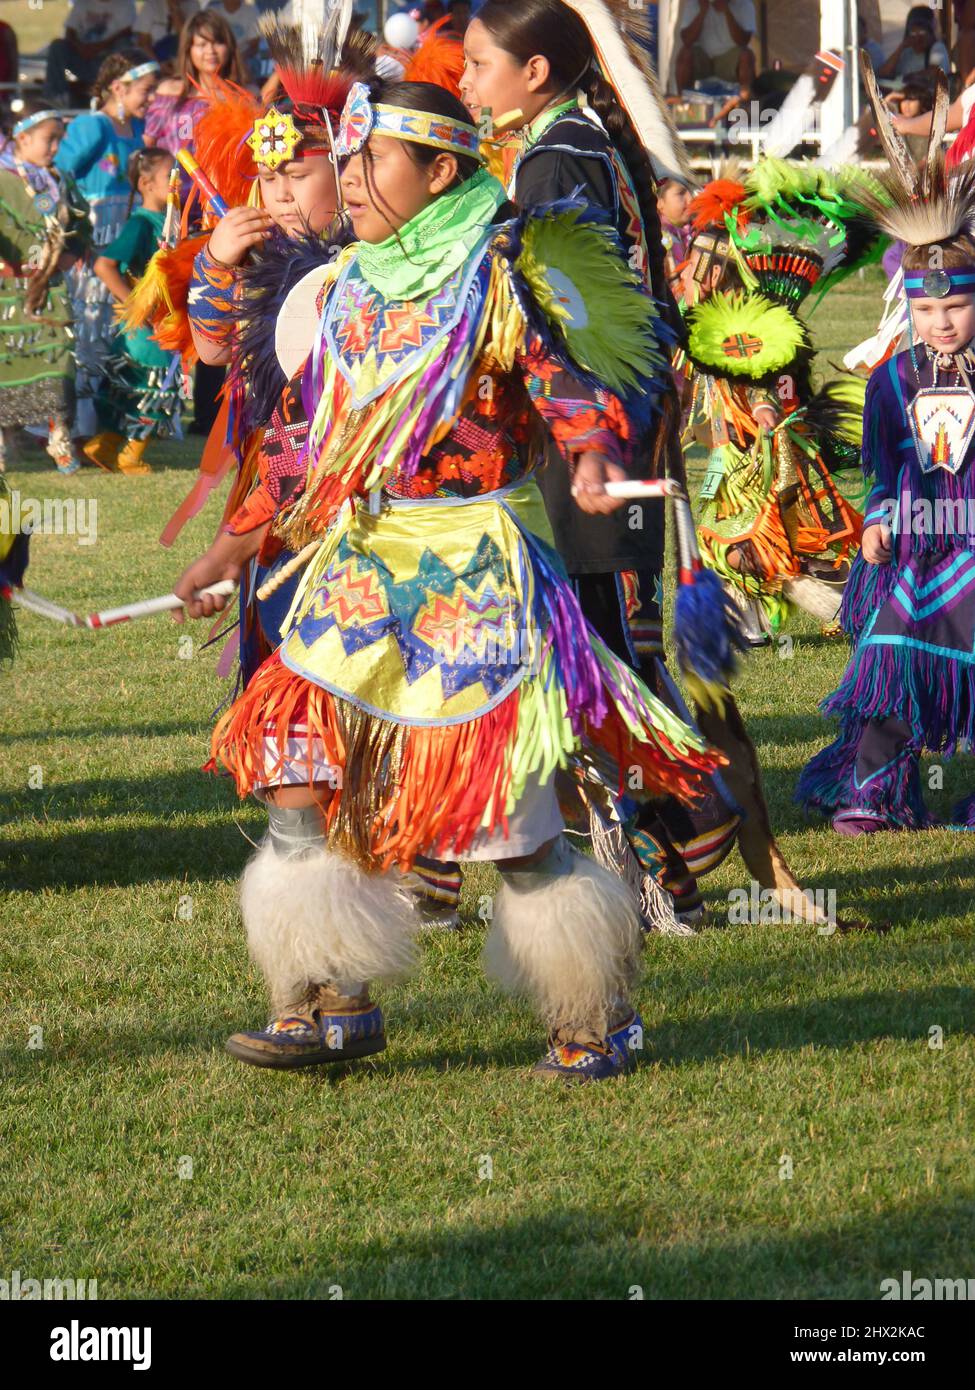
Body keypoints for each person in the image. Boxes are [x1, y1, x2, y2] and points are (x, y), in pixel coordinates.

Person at [172, 78, 722, 1081]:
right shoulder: (343, 288)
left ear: (439, 171)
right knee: (302, 772)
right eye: (344, 160)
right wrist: (231, 546)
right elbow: (307, 447)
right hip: (363, 566)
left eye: (371, 160)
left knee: (511, 825)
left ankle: (595, 1010)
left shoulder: (499, 270)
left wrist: (593, 457)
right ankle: (329, 997)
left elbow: (567, 385)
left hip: (477, 569)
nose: (350, 178)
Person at [461, 0, 739, 923]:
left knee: (605, 648)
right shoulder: (576, 141)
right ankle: (671, 837)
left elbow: (568, 314)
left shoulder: (554, 159)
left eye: (477, 65)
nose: (465, 81)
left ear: (533, 73)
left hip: (596, 440)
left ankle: (674, 842)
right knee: (613, 635)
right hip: (615, 429)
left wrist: (589, 435)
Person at [797, 85, 975, 836]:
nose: (939, 322)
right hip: (911, 542)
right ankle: (875, 789)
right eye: (926, 310)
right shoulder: (891, 379)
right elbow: (880, 466)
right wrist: (875, 516)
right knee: (891, 661)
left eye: (955, 308)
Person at [145, 11, 248, 434]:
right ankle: (155, 409)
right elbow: (149, 148)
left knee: (222, 308)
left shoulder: (242, 96)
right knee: (179, 312)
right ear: (188, 48)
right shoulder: (173, 94)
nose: (209, 50)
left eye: (217, 42)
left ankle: (213, 413)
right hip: (180, 216)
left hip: (223, 216)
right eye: (201, 42)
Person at [53, 51, 158, 439]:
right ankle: (78, 426)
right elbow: (56, 179)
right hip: (91, 243)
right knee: (88, 329)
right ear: (118, 87)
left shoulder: (136, 127)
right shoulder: (92, 127)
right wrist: (71, 236)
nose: (151, 100)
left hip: (122, 243)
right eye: (145, 91)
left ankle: (109, 422)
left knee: (116, 329)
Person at [0, 103, 92, 474]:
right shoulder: (5, 180)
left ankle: (59, 436)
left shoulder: (58, 179)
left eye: (58, 140)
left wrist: (70, 252)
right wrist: (21, 259)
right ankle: (5, 442)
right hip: (11, 287)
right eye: (48, 139)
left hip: (51, 287)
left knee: (58, 356)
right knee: (8, 364)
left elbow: (80, 220)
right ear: (22, 138)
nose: (55, 147)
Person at [86, 148, 186, 475]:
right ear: (146, 183)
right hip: (147, 330)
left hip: (152, 326)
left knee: (131, 390)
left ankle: (105, 445)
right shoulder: (142, 224)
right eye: (171, 177)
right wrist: (135, 305)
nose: (178, 184)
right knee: (158, 392)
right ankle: (130, 454)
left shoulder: (165, 222)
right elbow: (104, 266)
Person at [44, 0, 137, 105]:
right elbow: (70, 31)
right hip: (83, 56)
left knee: (124, 45)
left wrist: (99, 47)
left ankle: (117, 93)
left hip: (108, 60)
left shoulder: (125, 4)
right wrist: (80, 47)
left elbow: (127, 33)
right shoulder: (82, 3)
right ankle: (57, 96)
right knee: (58, 46)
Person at [675, 0, 756, 116]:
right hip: (704, 58)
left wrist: (727, 11)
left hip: (729, 59)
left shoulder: (744, 4)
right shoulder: (693, 4)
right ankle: (683, 103)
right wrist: (702, 12)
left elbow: (743, 41)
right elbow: (687, 40)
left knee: (746, 55)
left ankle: (744, 104)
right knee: (685, 53)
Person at [877, 6, 949, 86]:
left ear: (930, 32)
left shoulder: (937, 48)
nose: (918, 38)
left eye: (922, 32)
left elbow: (935, 72)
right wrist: (901, 47)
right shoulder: (906, 52)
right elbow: (883, 73)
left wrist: (908, 78)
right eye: (913, 33)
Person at [134, 0, 200, 65]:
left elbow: (187, 39)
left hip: (182, 60)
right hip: (154, 58)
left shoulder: (192, 4)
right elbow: (143, 42)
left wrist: (174, 8)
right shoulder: (152, 4)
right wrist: (158, 65)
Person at [204, 0, 262, 66]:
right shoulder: (212, 12)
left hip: (246, 58)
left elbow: (254, 47)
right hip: (219, 58)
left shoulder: (251, 11)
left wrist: (238, 59)